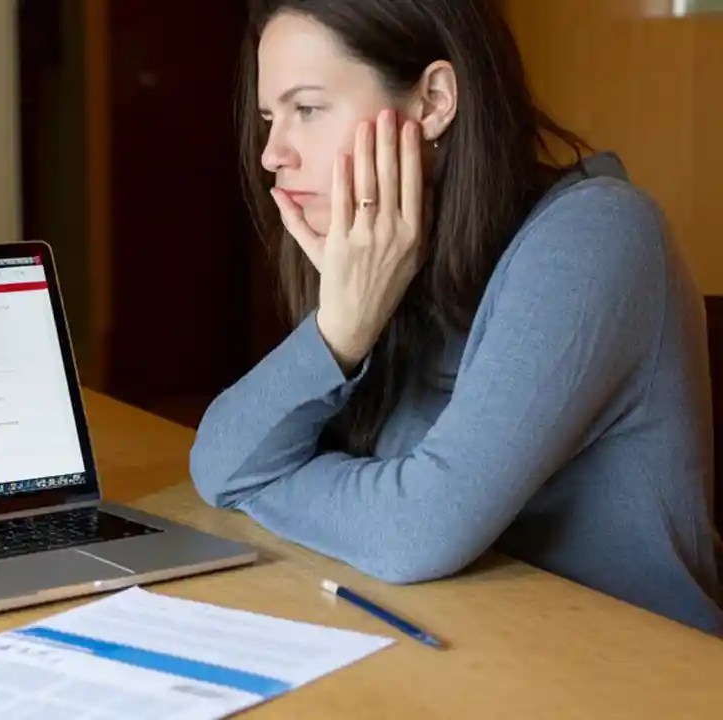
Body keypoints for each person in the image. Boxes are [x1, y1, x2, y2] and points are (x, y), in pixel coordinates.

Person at [189, 0, 723, 636]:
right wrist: (342, 332)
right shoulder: (387, 259)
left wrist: (267, 481)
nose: (273, 153)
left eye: (307, 109)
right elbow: (218, 461)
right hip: (469, 649)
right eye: (270, 118)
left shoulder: (597, 236)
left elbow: (416, 530)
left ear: (434, 100)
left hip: (634, 676)